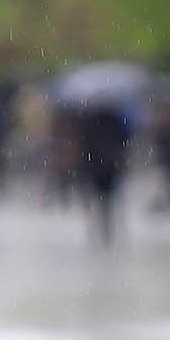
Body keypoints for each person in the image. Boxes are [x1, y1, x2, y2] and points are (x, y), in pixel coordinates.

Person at [73, 105, 132, 245]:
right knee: (108, 198)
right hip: (110, 165)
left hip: (97, 165)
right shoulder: (115, 121)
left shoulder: (90, 122)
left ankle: (99, 225)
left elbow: (84, 143)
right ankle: (106, 225)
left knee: (98, 197)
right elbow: (124, 140)